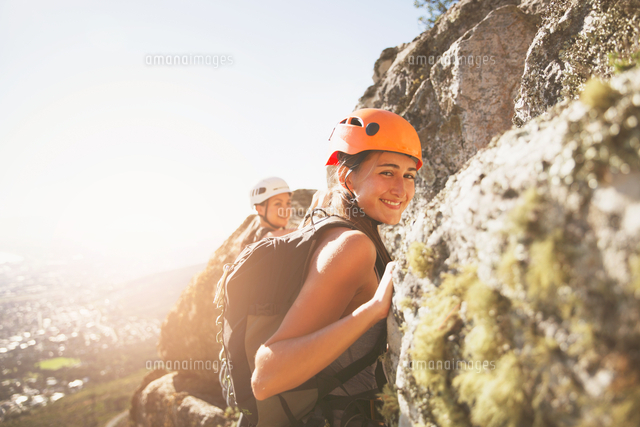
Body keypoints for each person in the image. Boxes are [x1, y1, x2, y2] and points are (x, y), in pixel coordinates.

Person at [251, 108, 422, 425]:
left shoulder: (335, 229)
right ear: (346, 177)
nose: (401, 189)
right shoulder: (352, 246)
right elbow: (266, 377)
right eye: (387, 172)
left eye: (409, 175)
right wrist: (372, 310)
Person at [243, 176, 295, 248]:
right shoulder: (267, 238)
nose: (285, 209)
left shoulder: (252, 236)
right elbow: (301, 233)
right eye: (278, 204)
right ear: (260, 209)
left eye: (288, 203)